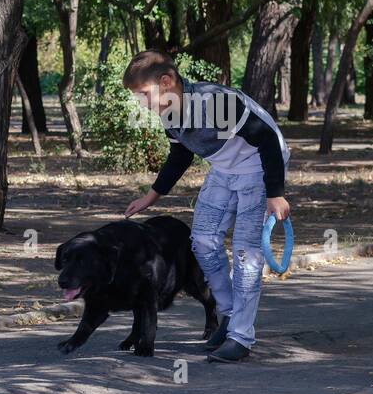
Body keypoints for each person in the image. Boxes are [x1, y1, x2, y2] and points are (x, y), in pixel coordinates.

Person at [122, 51, 289, 363]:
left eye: (143, 95)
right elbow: (181, 155)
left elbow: (266, 140)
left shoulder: (215, 104)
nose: (141, 104)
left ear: (166, 82)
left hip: (259, 166)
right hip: (224, 170)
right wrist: (152, 195)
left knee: (245, 251)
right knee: (202, 240)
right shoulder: (169, 112)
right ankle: (227, 316)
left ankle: (241, 336)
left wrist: (275, 193)